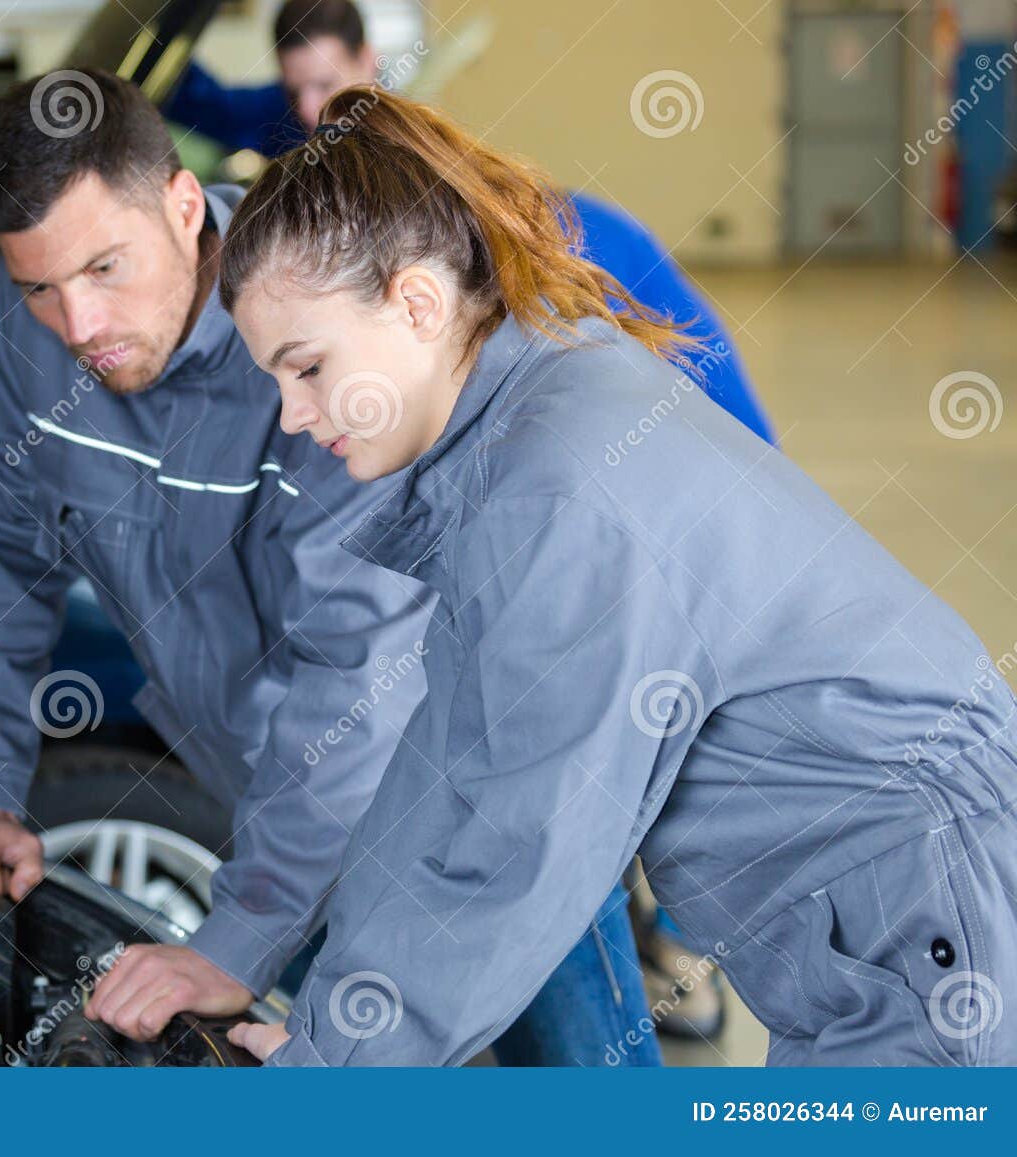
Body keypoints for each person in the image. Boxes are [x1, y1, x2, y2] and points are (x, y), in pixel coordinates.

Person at [219, 87, 1017, 1066]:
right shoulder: (512, 433)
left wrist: (332, 1071)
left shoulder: (557, 486)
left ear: (416, 303)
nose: (292, 415)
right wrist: (326, 1030)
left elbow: (521, 850)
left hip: (932, 919)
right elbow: (440, 775)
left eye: (304, 367)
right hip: (874, 922)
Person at [0, 66, 658, 1064]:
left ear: (183, 207)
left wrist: (239, 932)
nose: (77, 326)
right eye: (38, 287)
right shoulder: (37, 354)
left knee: (583, 1090)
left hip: (487, 812)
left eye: (103, 269)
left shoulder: (311, 326)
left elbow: (360, 663)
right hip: (292, 827)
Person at [166, 0, 774, 447]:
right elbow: (192, 95)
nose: (308, 109)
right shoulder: (287, 122)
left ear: (368, 62)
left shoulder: (526, 233)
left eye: (326, 84)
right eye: (295, 89)